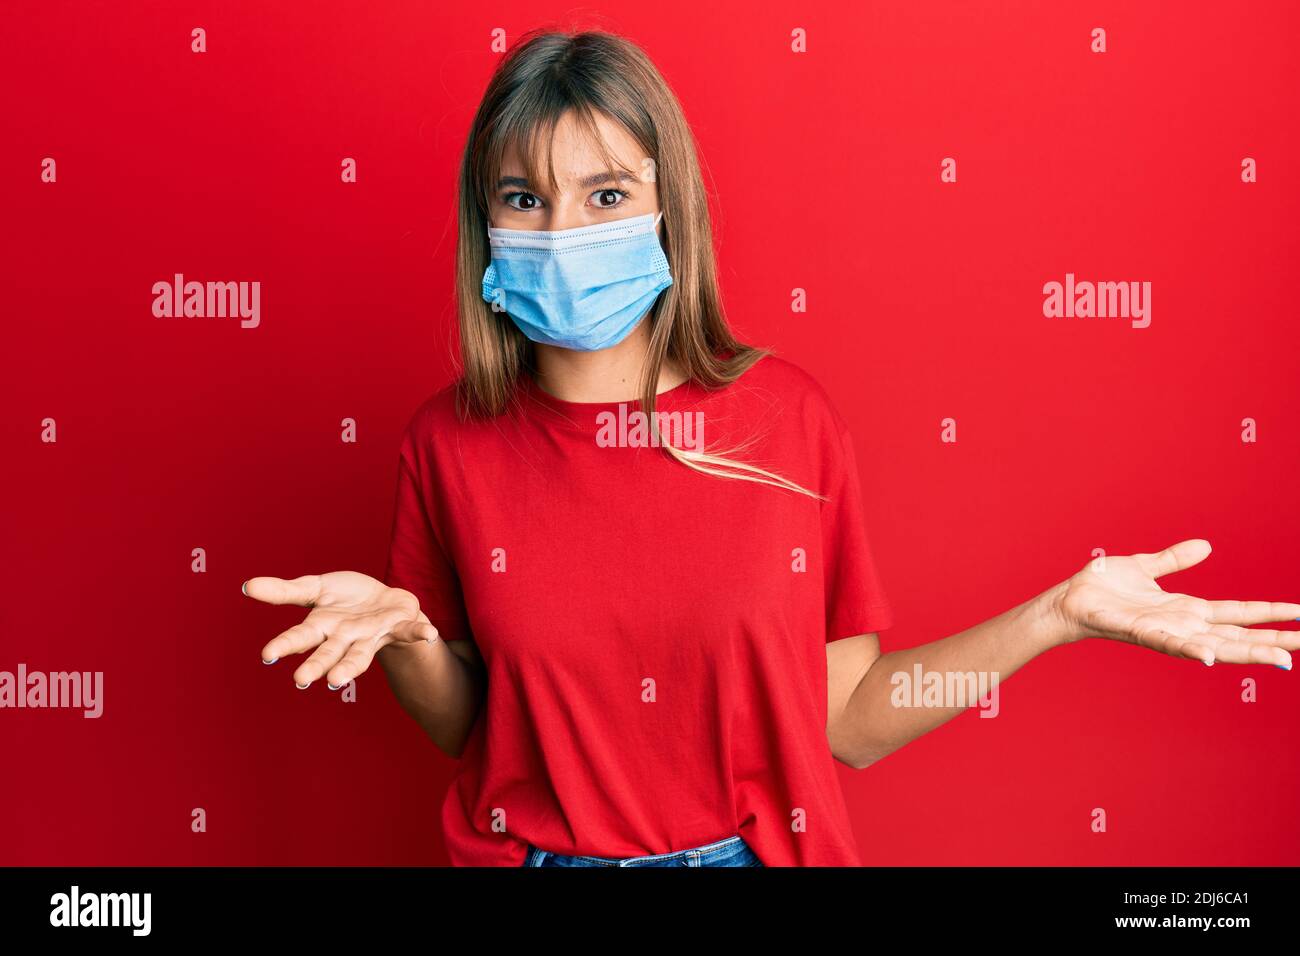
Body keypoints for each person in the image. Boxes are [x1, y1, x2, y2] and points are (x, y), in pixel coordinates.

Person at [243, 29, 1299, 868]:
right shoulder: (446, 447)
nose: (563, 232)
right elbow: (468, 727)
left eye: (605, 194)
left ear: (667, 211)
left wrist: (1056, 615)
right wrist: (405, 638)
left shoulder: (786, 422)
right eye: (526, 198)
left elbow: (845, 720)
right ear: (489, 220)